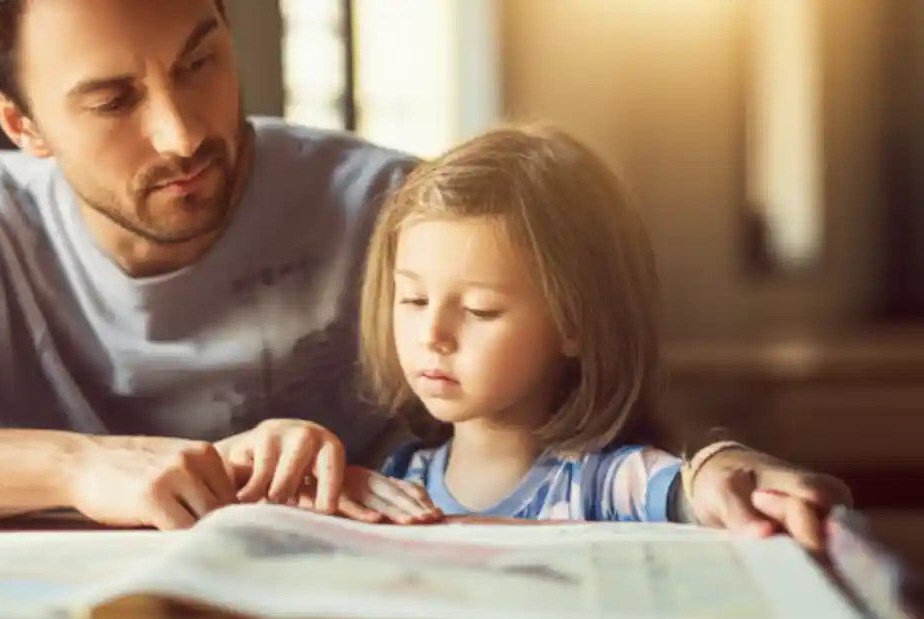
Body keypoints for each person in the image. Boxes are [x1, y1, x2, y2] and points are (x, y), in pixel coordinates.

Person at [0, 0, 840, 538]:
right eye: (111, 100)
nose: (181, 133)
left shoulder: (392, 210)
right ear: (19, 120)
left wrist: (720, 461)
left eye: (201, 58)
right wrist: (82, 468)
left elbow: (605, 422)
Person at [354, 125, 850, 549]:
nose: (433, 335)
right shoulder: (399, 477)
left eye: (479, 310)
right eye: (414, 301)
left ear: (575, 322)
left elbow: (699, 487)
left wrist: (725, 470)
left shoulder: (602, 482)